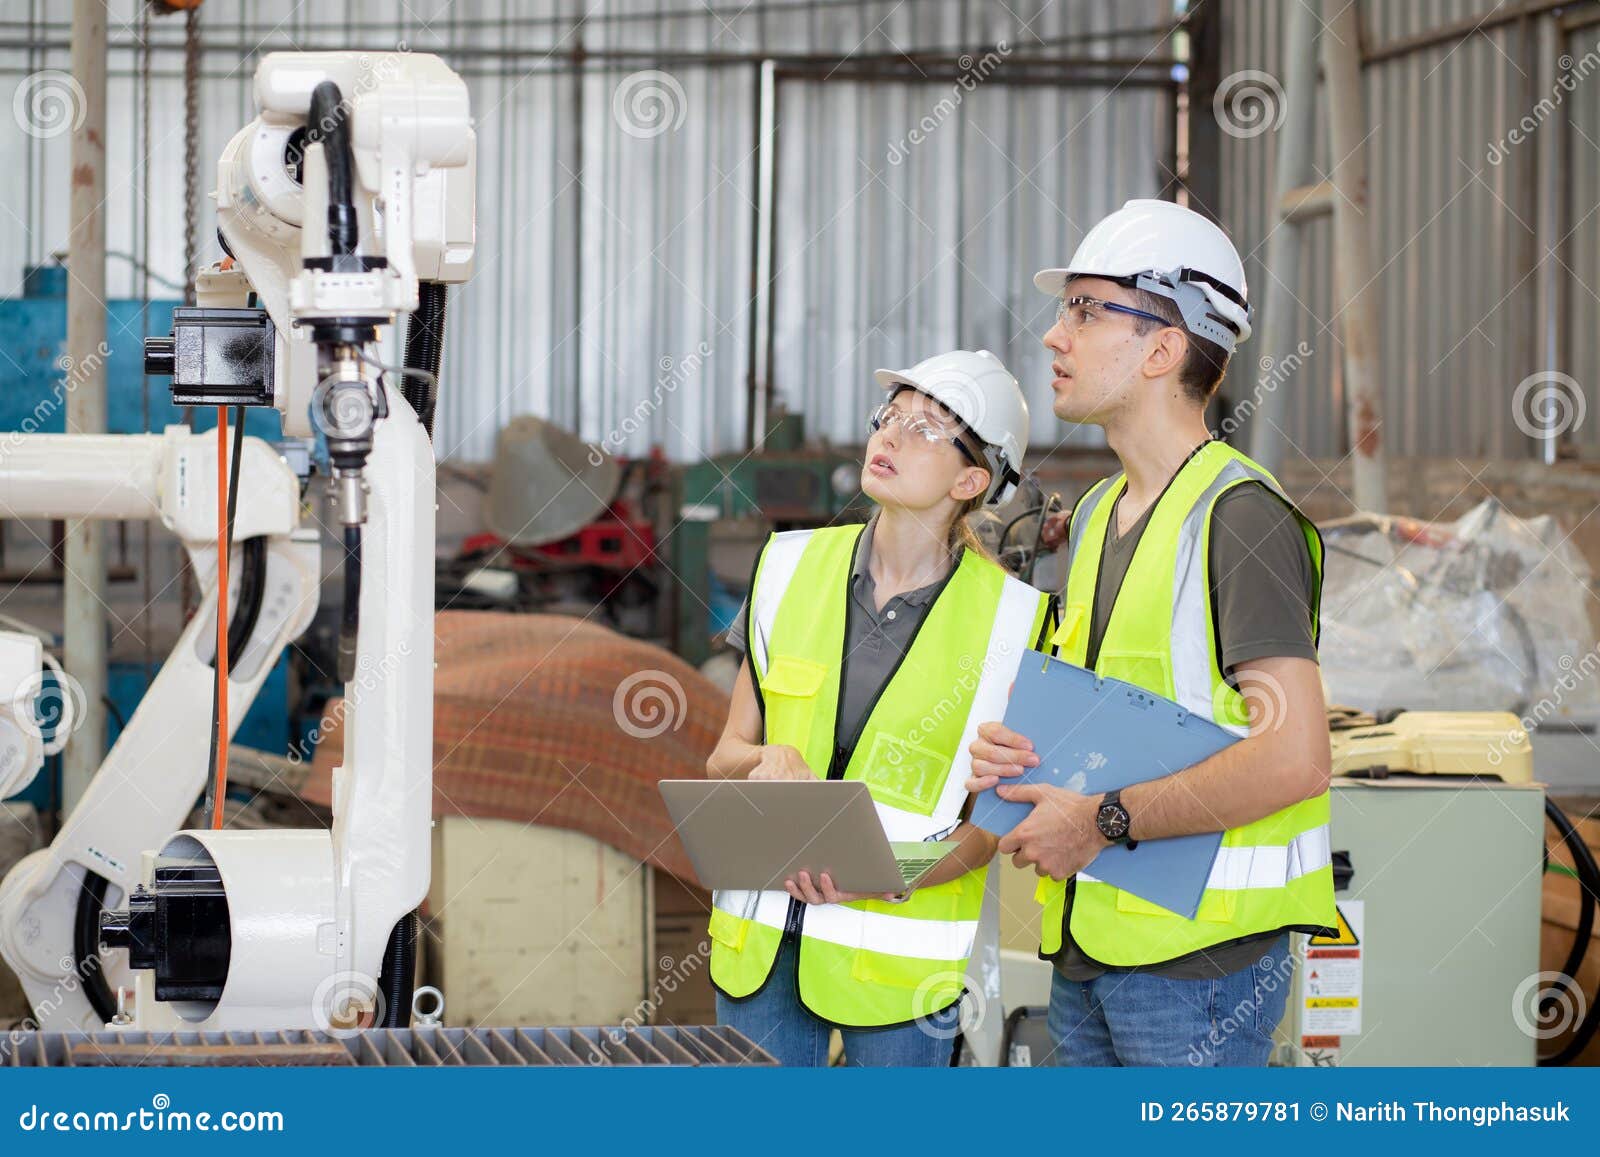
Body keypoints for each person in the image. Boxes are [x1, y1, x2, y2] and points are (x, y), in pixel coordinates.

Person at [967, 200, 1338, 1067]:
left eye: (1086, 310)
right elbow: (1109, 713)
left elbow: (1296, 759)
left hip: (1197, 969)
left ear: (1164, 348)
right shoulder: (1097, 514)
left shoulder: (1240, 517)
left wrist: (1102, 818)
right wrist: (1015, 761)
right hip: (1090, 942)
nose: (1056, 337)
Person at [705, 350, 1051, 1067]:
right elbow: (725, 753)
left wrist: (881, 872)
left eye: (926, 427)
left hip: (899, 969)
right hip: (760, 947)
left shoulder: (1015, 622)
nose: (889, 436)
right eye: (890, 416)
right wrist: (767, 756)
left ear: (972, 479)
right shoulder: (788, 566)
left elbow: (988, 829)